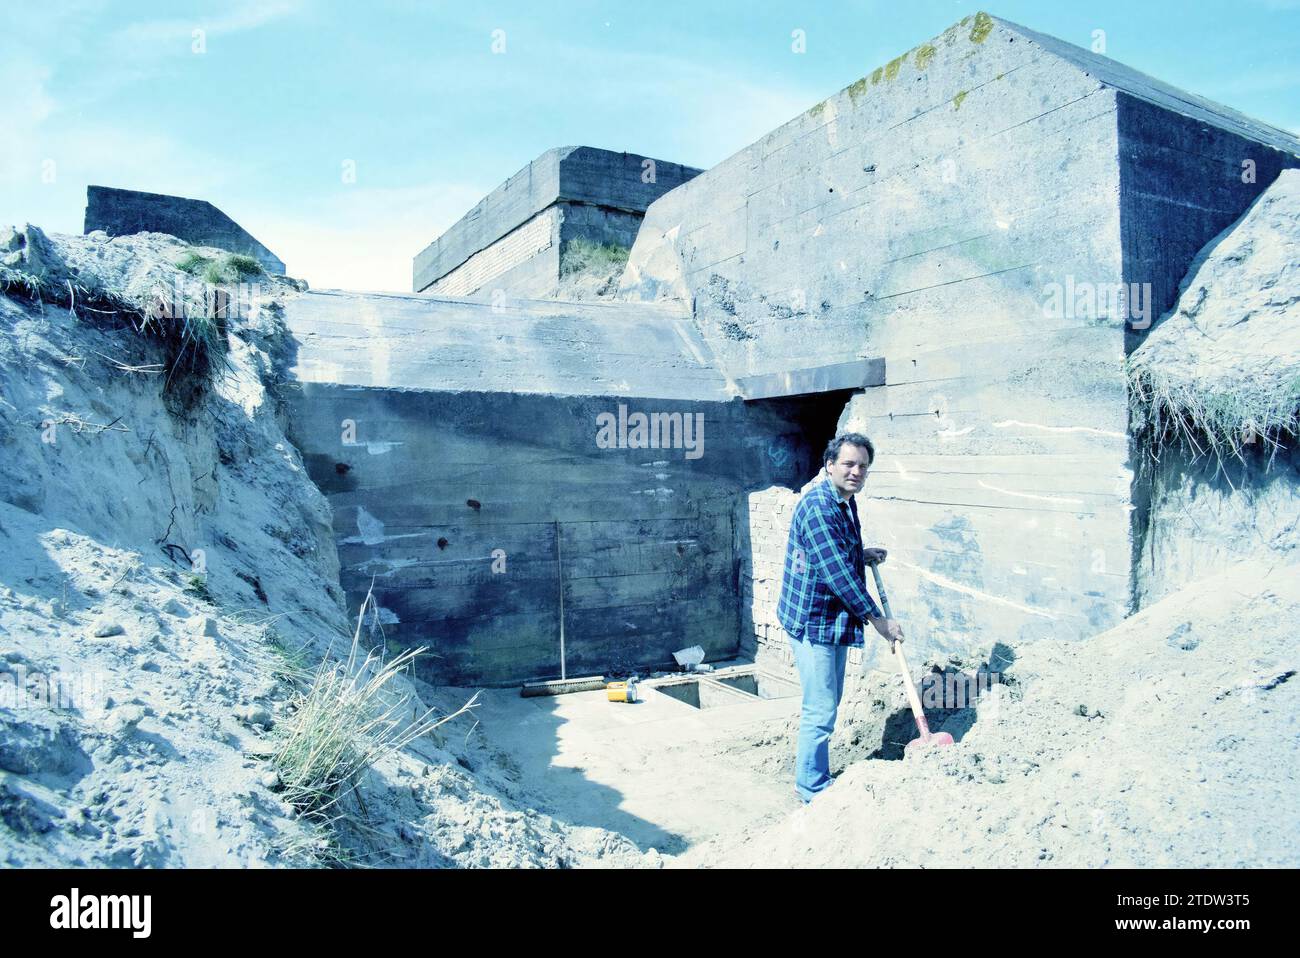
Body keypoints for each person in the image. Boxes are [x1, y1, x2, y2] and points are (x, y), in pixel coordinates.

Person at [776, 431, 903, 804]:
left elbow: (832, 553)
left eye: (863, 466)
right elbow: (835, 573)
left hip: (831, 618)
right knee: (820, 707)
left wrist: (859, 553)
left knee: (828, 702)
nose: (856, 471)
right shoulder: (819, 507)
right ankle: (812, 789)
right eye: (848, 464)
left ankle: (814, 775)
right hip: (813, 619)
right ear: (830, 465)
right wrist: (878, 620)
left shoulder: (845, 501)